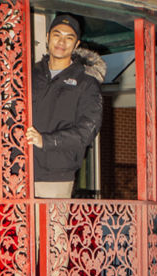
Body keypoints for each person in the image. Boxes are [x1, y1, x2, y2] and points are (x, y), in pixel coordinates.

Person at [27, 13, 105, 198]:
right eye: (57, 35)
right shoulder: (30, 74)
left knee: (51, 227)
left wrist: (45, 140)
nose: (61, 42)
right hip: (20, 172)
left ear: (76, 44)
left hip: (55, 176)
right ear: (47, 37)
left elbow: (87, 130)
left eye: (68, 38)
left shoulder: (86, 83)